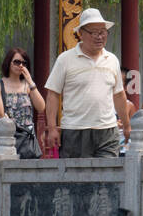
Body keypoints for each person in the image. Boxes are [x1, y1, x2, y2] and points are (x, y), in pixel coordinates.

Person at [43, 8, 131, 158]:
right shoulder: (65, 59)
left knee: (108, 177)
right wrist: (52, 128)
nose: (99, 37)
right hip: (75, 130)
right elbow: (53, 94)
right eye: (94, 32)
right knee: (77, 179)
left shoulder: (112, 60)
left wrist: (127, 125)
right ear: (81, 34)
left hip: (107, 130)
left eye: (103, 32)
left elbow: (119, 95)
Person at [0, 47, 46, 158]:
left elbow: (41, 107)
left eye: (23, 63)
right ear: (8, 63)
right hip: (6, 139)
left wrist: (30, 81)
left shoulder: (27, 86)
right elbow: (1, 114)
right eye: (16, 62)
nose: (20, 65)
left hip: (27, 140)